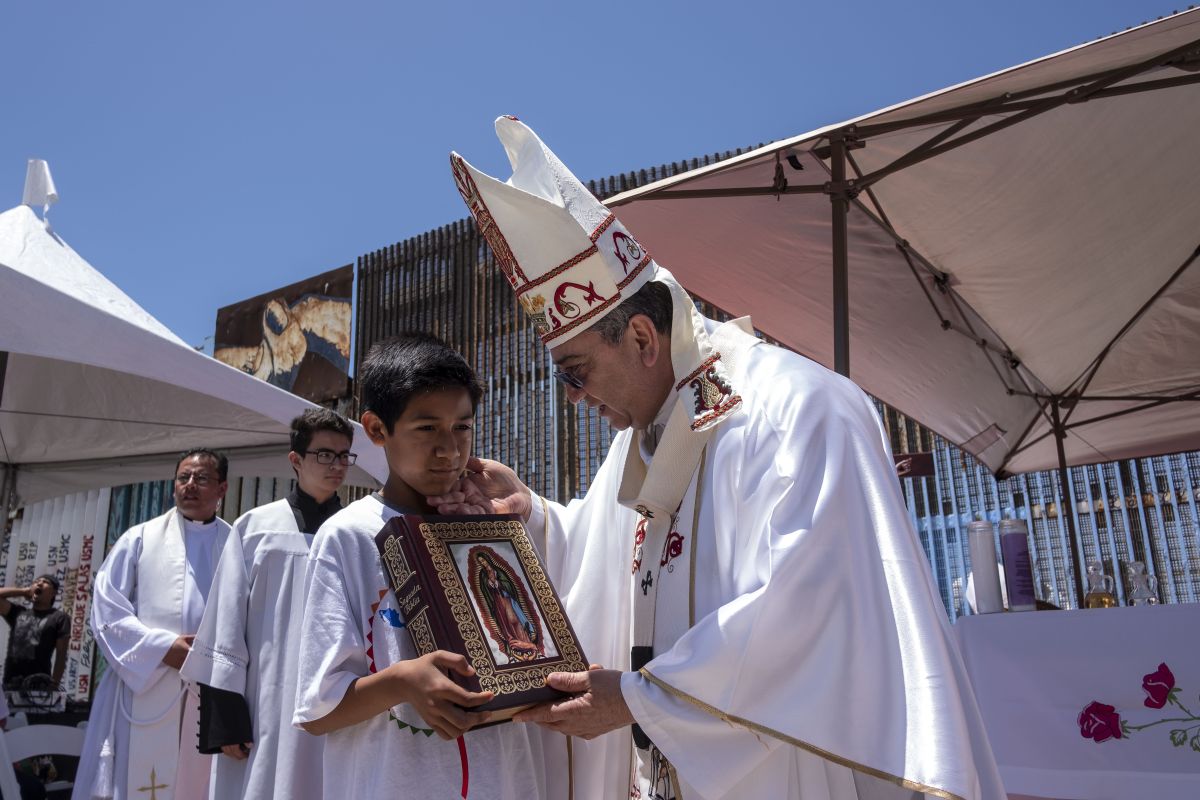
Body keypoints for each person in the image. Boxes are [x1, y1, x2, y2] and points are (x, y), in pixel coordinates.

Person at [436, 117, 1006, 799]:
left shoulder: (797, 406)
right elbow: (599, 562)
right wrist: (533, 517)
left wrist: (642, 700)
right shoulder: (638, 444)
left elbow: (810, 609)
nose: (575, 398)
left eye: (576, 373)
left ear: (643, 337)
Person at [291, 334, 549, 800]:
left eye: (463, 427)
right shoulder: (349, 537)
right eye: (427, 428)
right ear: (375, 429)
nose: (449, 450)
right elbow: (317, 711)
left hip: (505, 781)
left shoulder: (494, 531)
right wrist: (402, 681)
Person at [180, 409, 353, 800]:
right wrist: (226, 717)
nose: (337, 465)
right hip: (266, 703)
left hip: (339, 702)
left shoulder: (354, 532)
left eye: (344, 456)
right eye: (325, 454)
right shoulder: (256, 528)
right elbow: (224, 624)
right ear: (296, 459)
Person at [72, 449, 231, 800]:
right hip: (140, 685)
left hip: (206, 691)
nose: (189, 486)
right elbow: (106, 609)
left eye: (201, 478)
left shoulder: (236, 544)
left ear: (221, 489)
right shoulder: (139, 538)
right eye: (183, 478)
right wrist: (163, 649)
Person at [0, 575, 69, 692]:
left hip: (39, 686)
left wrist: (53, 686)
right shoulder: (18, 612)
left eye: (45, 582)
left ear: (53, 593)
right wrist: (23, 591)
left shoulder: (59, 618)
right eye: (36, 582)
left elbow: (61, 655)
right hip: (10, 684)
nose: (39, 583)